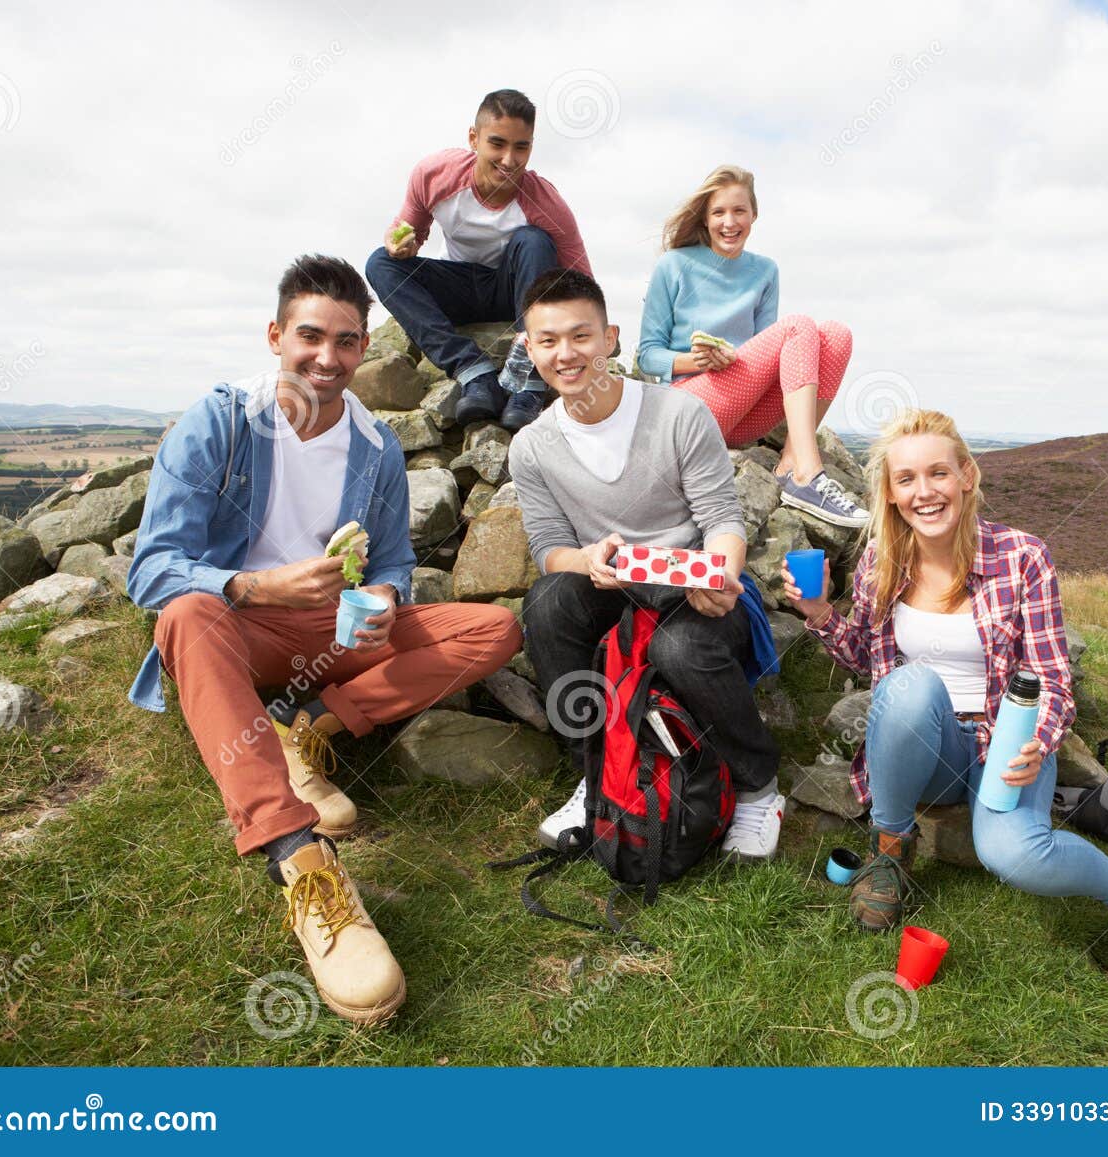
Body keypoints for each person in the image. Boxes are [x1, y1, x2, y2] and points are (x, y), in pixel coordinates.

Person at [126, 255, 522, 1024]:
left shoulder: (374, 448)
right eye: (310, 336)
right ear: (276, 335)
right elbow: (153, 570)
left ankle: (311, 725)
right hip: (233, 624)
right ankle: (298, 857)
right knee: (184, 615)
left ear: (364, 348)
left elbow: (397, 558)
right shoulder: (221, 422)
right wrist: (253, 585)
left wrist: (384, 594)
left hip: (331, 629)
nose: (327, 358)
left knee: (494, 626)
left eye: (346, 342)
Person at [781, 409, 1108, 983]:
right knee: (911, 685)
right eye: (907, 479)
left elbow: (1052, 674)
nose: (925, 492)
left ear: (966, 475)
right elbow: (868, 660)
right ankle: (890, 850)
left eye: (938, 473)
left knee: (1016, 856)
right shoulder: (880, 560)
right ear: (891, 493)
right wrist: (818, 614)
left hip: (1008, 745)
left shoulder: (1023, 558)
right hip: (930, 744)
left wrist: (1040, 742)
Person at [507, 268, 786, 860]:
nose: (566, 354)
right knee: (548, 599)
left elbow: (723, 520)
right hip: (614, 582)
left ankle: (761, 786)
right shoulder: (531, 446)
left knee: (679, 649)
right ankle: (595, 772)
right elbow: (549, 548)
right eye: (548, 340)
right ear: (528, 349)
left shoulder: (678, 415)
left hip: (692, 581)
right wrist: (585, 558)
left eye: (581, 337)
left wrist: (723, 576)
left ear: (610, 338)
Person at [636, 165, 865, 529]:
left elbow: (770, 351)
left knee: (837, 335)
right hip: (690, 408)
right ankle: (810, 472)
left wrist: (736, 359)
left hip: (744, 417)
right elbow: (647, 354)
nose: (730, 221)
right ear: (706, 218)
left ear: (753, 215)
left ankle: (792, 465)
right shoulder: (674, 265)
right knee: (798, 326)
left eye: (739, 211)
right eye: (719, 212)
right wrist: (695, 361)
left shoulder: (765, 271)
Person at [365, 89, 590, 432]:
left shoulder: (545, 201)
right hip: (458, 289)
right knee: (379, 263)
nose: (509, 159)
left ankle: (526, 382)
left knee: (533, 241)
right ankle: (474, 371)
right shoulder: (435, 174)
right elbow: (409, 228)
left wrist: (595, 337)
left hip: (514, 292)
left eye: (521, 147)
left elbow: (580, 278)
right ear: (474, 138)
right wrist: (401, 244)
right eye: (497, 143)